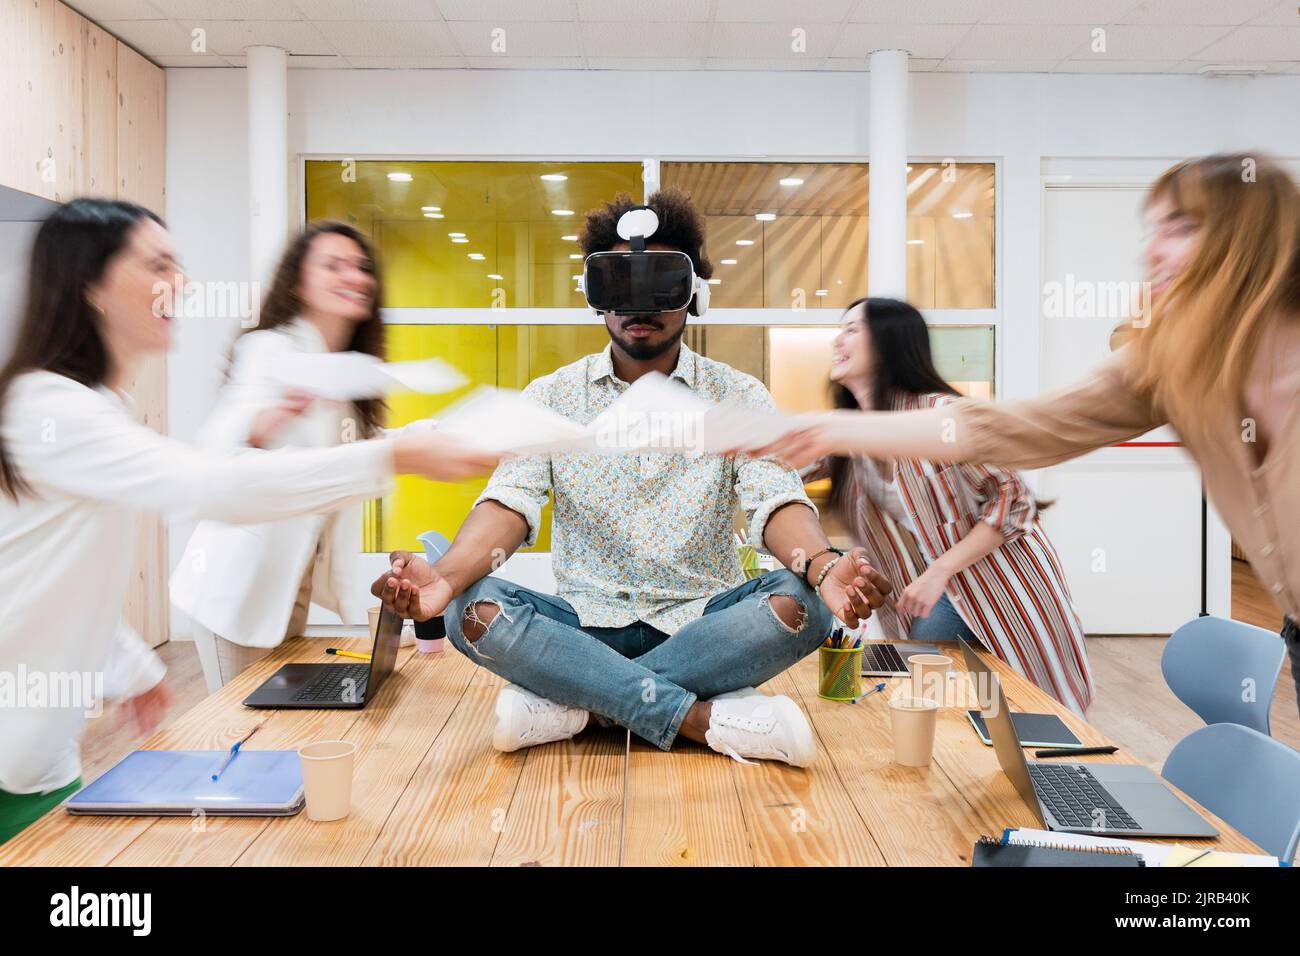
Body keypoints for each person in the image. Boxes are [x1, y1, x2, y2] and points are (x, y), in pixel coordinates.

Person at [0, 199, 500, 844]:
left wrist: (129, 667)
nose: (181, 281)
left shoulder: (94, 407)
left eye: (178, 263)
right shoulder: (52, 407)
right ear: (89, 283)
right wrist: (395, 453)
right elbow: (213, 481)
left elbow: (59, 577)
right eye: (158, 264)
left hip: (40, 762)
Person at [735, 152, 1300, 718]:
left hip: (980, 596)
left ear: (1248, 240)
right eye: (1154, 229)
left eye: (1180, 228)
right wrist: (806, 437)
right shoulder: (1174, 364)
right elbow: (1024, 427)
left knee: (1002, 712)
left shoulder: (931, 407)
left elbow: (1010, 492)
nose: (1150, 250)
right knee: (950, 713)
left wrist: (934, 568)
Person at [374, 188, 891, 768]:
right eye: (619, 285)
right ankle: (700, 718)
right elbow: (510, 502)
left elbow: (774, 499)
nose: (638, 305)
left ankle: (578, 704)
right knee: (468, 608)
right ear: (596, 297)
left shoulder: (738, 394)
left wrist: (822, 569)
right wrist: (442, 581)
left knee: (806, 604)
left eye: (659, 283)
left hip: (706, 625)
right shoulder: (553, 396)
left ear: (693, 294)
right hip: (583, 625)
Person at [809, 297, 1093, 714]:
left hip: (996, 582)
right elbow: (781, 467)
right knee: (937, 690)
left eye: (853, 329)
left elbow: (1013, 500)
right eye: (841, 328)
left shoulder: (942, 415)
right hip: (927, 588)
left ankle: (1048, 763)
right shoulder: (850, 436)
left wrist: (939, 571)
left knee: (1013, 701)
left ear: (889, 342)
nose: (839, 339)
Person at [171, 221, 401, 692]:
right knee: (237, 731)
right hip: (233, 589)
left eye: (360, 267)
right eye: (333, 266)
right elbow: (218, 446)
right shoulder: (270, 349)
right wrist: (267, 419)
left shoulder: (344, 374)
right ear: (298, 281)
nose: (353, 277)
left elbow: (351, 460)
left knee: (276, 724)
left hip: (288, 586)